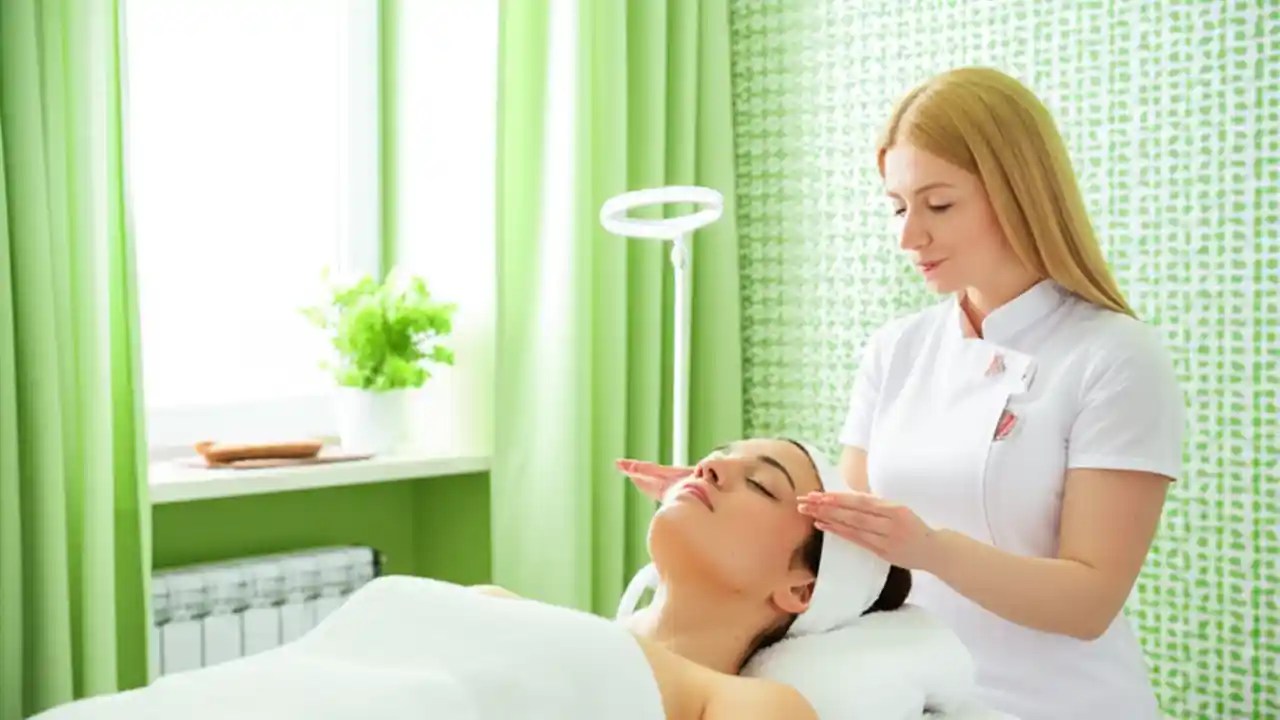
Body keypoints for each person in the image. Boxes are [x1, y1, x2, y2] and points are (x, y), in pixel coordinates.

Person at [621, 67, 1186, 720]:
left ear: (1018, 192)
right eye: (896, 206)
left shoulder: (1112, 357)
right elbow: (846, 539)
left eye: (938, 205)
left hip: (1060, 702)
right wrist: (711, 493)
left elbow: (1089, 603)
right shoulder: (898, 350)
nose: (907, 236)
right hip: (924, 694)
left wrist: (930, 551)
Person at [483, 437, 912, 720]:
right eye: (718, 457)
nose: (707, 467)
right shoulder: (500, 612)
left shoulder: (764, 707)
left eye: (761, 484)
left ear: (800, 588)